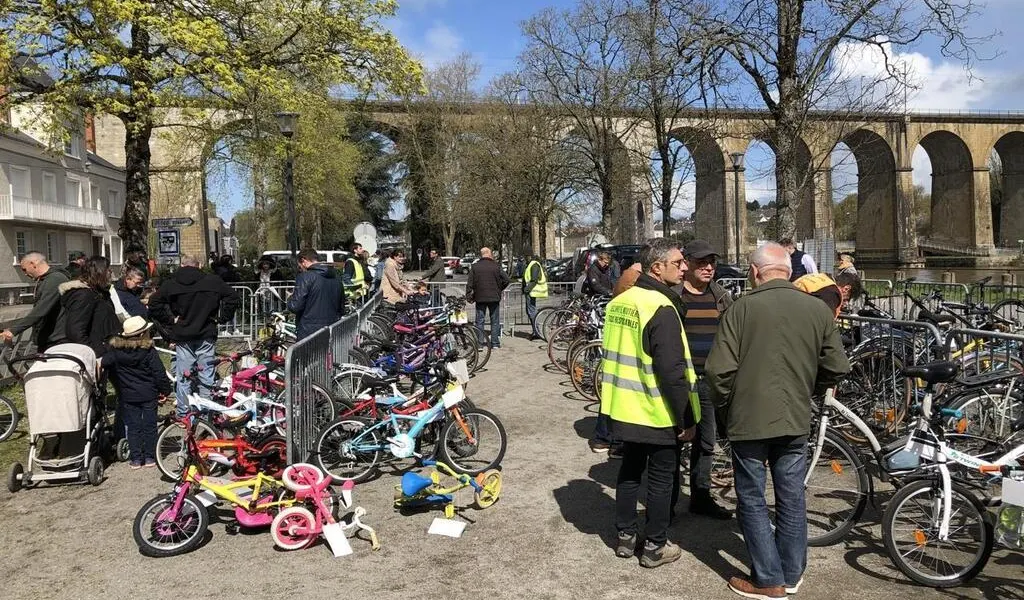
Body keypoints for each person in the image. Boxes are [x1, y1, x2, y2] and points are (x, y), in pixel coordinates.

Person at [705, 242, 850, 599]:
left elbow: (717, 372)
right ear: (788, 270)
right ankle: (791, 571)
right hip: (795, 418)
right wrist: (808, 389)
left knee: (752, 497)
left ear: (755, 272)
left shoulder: (740, 309)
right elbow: (837, 367)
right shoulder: (816, 310)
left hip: (748, 419)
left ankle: (768, 578)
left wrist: (726, 410)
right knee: (791, 495)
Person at [600, 238, 699, 568]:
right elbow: (671, 370)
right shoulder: (661, 307)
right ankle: (656, 545)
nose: (685, 267)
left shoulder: (619, 303)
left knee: (629, 473)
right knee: (660, 479)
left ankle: (625, 537)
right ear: (657, 268)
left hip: (622, 407)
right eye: (678, 263)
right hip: (656, 410)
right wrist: (686, 418)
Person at [672, 239, 733, 520]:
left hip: (710, 380)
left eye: (712, 263)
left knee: (706, 441)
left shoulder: (721, 296)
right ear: (688, 265)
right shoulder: (673, 296)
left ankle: (700, 495)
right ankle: (668, 499)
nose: (708, 267)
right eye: (701, 263)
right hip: (680, 380)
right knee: (674, 439)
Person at [149, 254, 241, 418]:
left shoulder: (171, 283)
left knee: (184, 376)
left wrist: (170, 319)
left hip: (183, 334)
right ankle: (205, 412)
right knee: (206, 375)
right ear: (198, 266)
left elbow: (154, 303)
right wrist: (222, 318)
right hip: (206, 332)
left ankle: (184, 413)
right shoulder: (212, 281)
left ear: (182, 266)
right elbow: (233, 297)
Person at [100, 316, 172, 469]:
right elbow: (158, 372)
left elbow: (104, 362)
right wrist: (165, 390)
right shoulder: (148, 351)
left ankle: (136, 459)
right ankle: (150, 457)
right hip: (148, 393)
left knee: (133, 426)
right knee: (150, 425)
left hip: (128, 394)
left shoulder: (115, 351)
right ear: (141, 334)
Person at [2, 252, 70, 351]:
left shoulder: (55, 279)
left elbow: (41, 310)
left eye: (24, 269)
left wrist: (13, 331)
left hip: (57, 340)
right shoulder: (46, 279)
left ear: (33, 264)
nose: (25, 273)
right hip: (50, 338)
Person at [59, 255, 120, 357]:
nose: (111, 272)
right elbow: (75, 331)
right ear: (100, 271)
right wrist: (96, 352)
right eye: (108, 269)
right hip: (97, 354)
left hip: (109, 350)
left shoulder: (100, 292)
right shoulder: (84, 295)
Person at [287, 248, 345, 340]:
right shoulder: (336, 277)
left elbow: (295, 306)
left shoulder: (305, 277)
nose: (301, 269)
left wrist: (289, 299)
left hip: (309, 330)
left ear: (303, 261)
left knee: (308, 354)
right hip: (332, 326)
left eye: (300, 266)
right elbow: (341, 307)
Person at [466, 247, 509, 349]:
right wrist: (499, 289)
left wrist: (468, 296)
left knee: (480, 321)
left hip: (480, 297)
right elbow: (506, 279)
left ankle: (480, 344)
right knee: (495, 320)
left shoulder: (475, 267)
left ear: (482, 255)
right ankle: (495, 343)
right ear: (489, 254)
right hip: (494, 297)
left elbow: (469, 283)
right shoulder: (496, 266)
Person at [521, 255, 548, 341]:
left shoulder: (534, 265)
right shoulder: (532, 265)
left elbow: (534, 280)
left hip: (531, 292)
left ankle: (536, 332)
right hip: (530, 291)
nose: (524, 259)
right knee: (530, 311)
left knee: (531, 311)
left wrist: (526, 289)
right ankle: (535, 331)